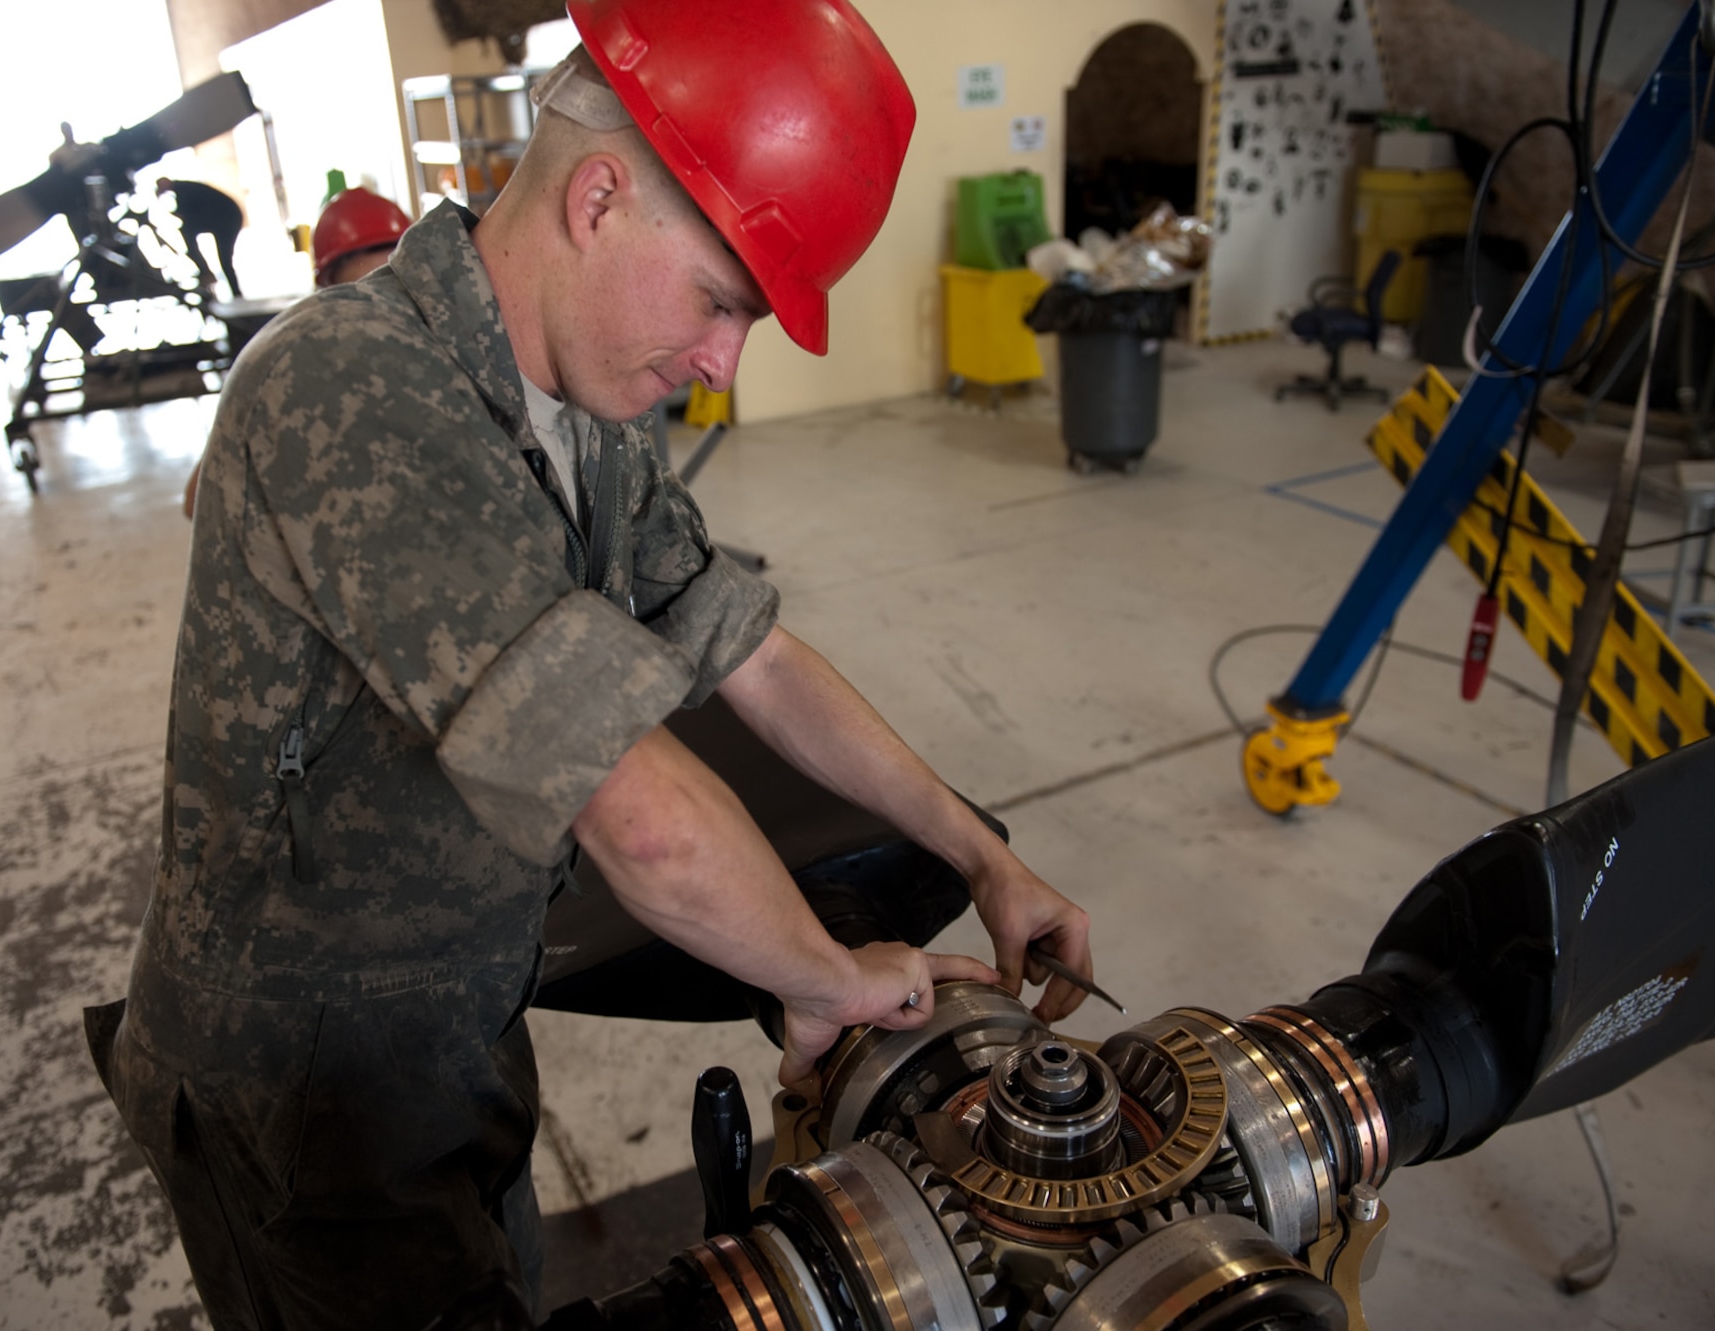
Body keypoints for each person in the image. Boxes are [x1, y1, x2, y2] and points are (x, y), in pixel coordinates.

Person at [89, 3, 1096, 1328]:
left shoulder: (586, 415)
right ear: (600, 198)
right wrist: (825, 974)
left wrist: (981, 854)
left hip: (457, 1028)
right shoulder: (348, 390)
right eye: (721, 302)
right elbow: (633, 810)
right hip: (304, 1097)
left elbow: (758, 655)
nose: (723, 359)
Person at [180, 188, 413, 517]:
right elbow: (199, 501)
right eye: (363, 298)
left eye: (394, 292)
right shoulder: (293, 370)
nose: (380, 315)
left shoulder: (443, 357)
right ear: (329, 295)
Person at [157, 175, 247, 299]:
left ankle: (208, 275)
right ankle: (217, 280)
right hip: (225, 218)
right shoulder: (183, 189)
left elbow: (188, 212)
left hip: (226, 220)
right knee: (224, 258)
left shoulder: (183, 189)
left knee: (224, 258)